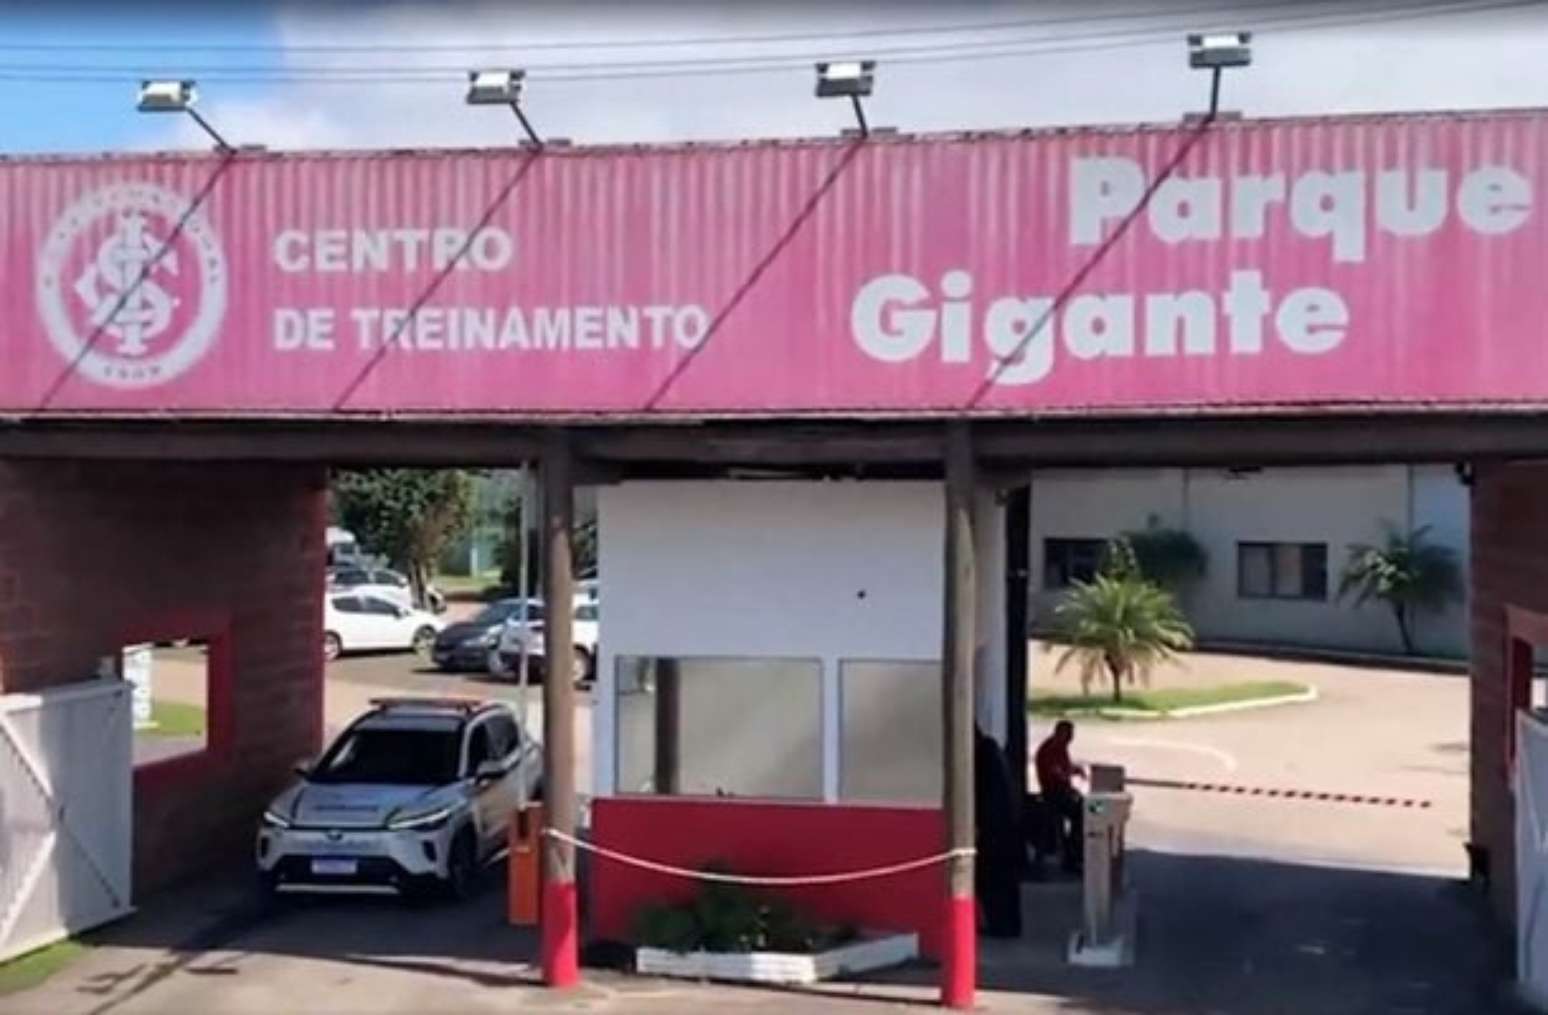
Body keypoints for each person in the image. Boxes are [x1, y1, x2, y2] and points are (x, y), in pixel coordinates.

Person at [974, 724, 1023, 937]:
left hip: (994, 830)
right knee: (1005, 880)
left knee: (991, 879)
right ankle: (1008, 923)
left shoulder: (983, 759)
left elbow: (983, 798)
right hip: (1007, 826)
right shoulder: (994, 754)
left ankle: (999, 924)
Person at [1034, 719, 1087, 873]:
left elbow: (1065, 769)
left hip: (1061, 791)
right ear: (1060, 733)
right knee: (1082, 812)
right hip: (1053, 794)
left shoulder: (1061, 748)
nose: (1071, 738)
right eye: (1068, 734)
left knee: (1085, 807)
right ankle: (1072, 855)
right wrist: (1070, 775)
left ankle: (1074, 851)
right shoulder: (1050, 749)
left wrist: (1075, 770)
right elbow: (1058, 774)